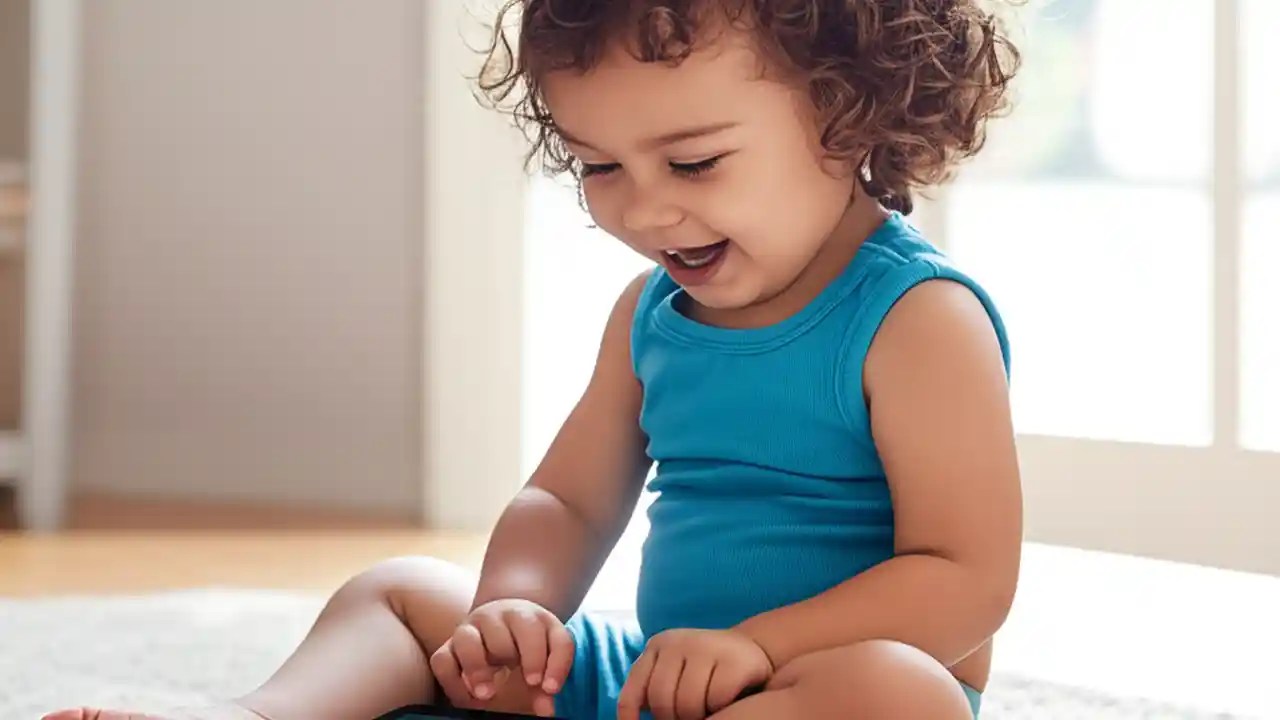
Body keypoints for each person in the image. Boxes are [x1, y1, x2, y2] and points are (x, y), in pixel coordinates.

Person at [47, 1, 1024, 718]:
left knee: (896, 695)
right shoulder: (650, 315)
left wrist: (751, 649)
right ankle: (260, 718)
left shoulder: (916, 321)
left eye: (691, 164)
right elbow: (567, 501)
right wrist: (513, 609)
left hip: (817, 682)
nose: (640, 210)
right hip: (650, 680)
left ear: (850, 114)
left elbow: (962, 577)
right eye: (599, 165)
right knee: (398, 593)